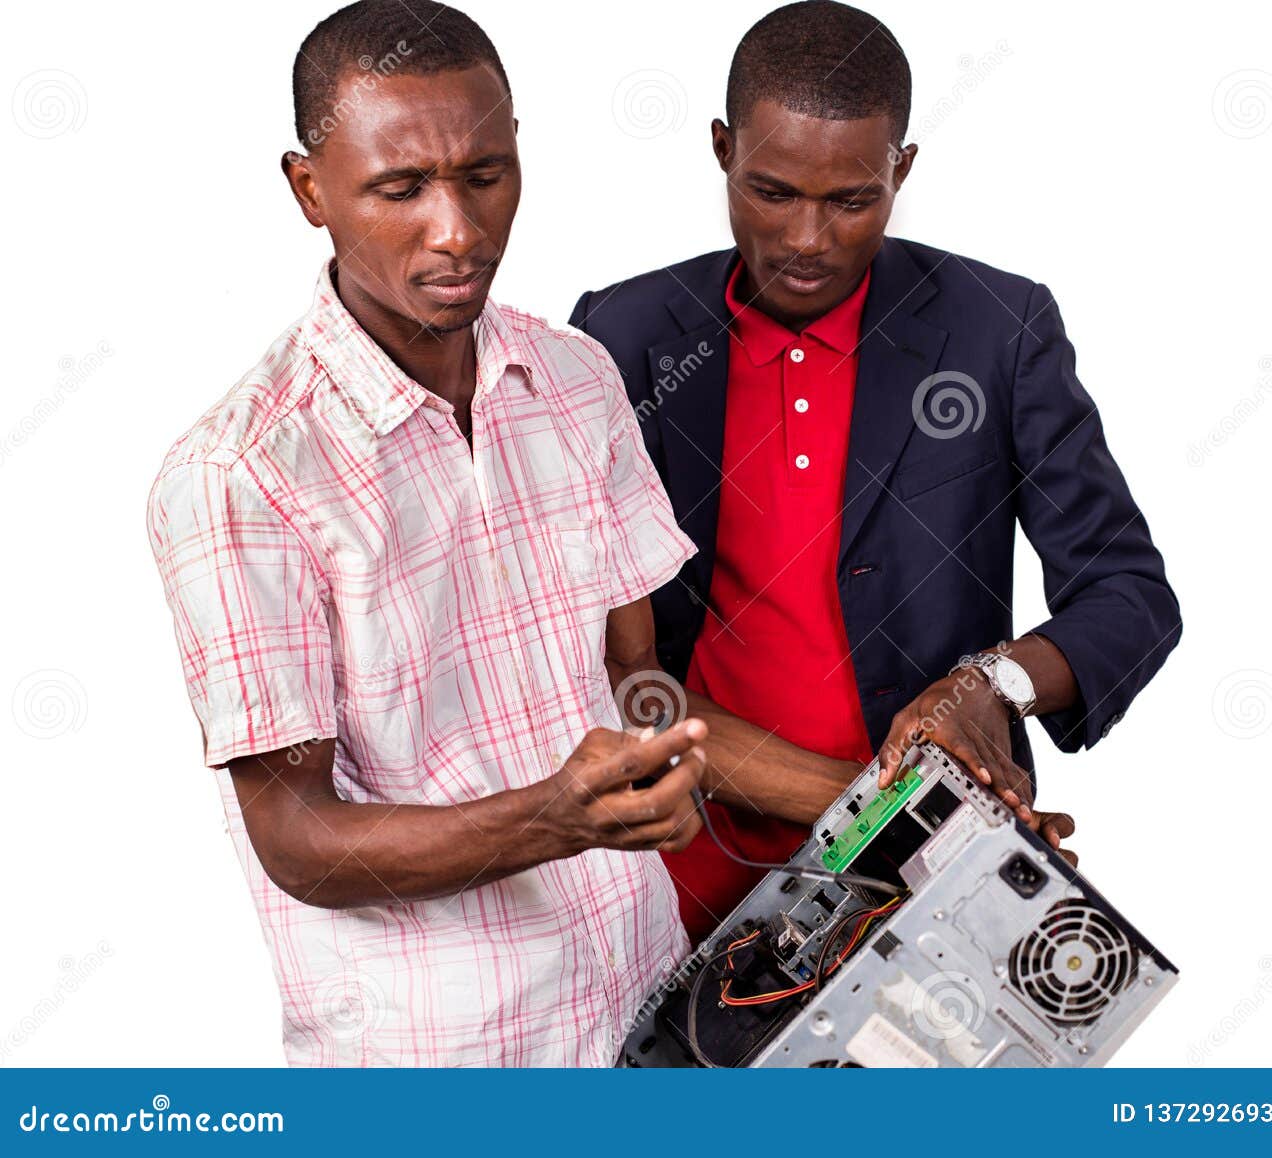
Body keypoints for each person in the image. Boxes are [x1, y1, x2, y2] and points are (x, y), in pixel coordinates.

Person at [145, 0, 706, 1066]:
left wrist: (658, 759)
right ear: (310, 189)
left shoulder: (577, 380)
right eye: (399, 188)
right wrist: (559, 816)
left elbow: (634, 666)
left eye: (485, 174)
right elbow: (299, 842)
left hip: (647, 1008)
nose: (457, 228)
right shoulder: (239, 474)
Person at [571, 0, 1181, 942]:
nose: (808, 238)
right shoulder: (622, 336)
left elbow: (1131, 596)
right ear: (723, 148)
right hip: (675, 871)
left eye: (852, 200)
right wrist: (880, 802)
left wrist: (994, 686)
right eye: (773, 191)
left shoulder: (996, 330)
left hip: (925, 879)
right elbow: (592, 659)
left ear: (902, 168)